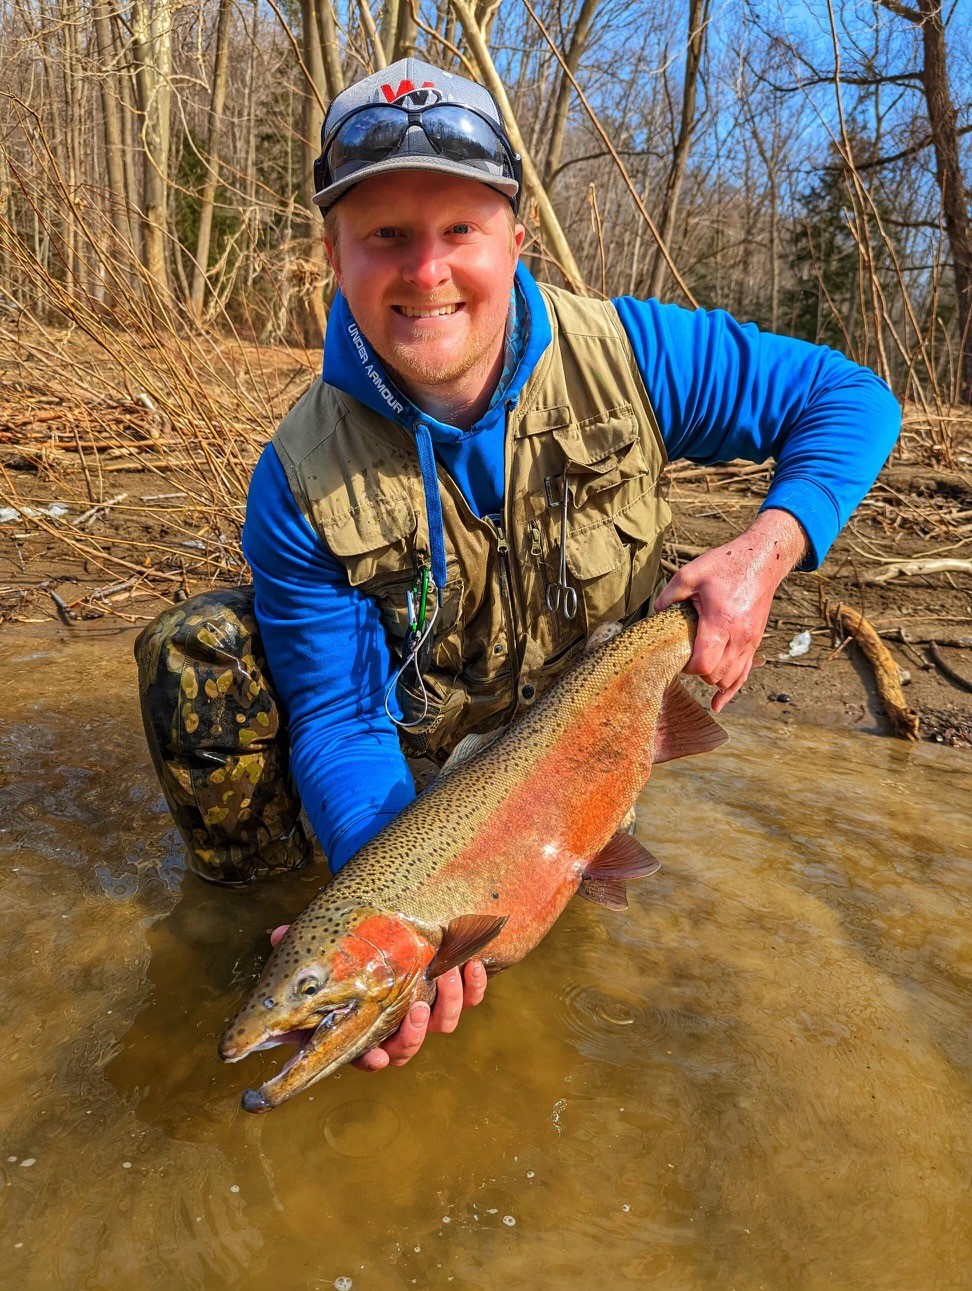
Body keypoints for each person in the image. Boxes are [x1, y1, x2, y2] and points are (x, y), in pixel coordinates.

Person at [136, 57, 900, 1073]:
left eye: (460, 231)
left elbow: (852, 402)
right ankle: (281, 917)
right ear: (334, 254)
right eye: (387, 237)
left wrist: (764, 552)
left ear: (514, 240)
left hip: (592, 723)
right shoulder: (298, 479)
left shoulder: (631, 352)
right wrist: (392, 883)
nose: (427, 270)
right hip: (429, 765)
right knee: (202, 650)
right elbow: (340, 719)